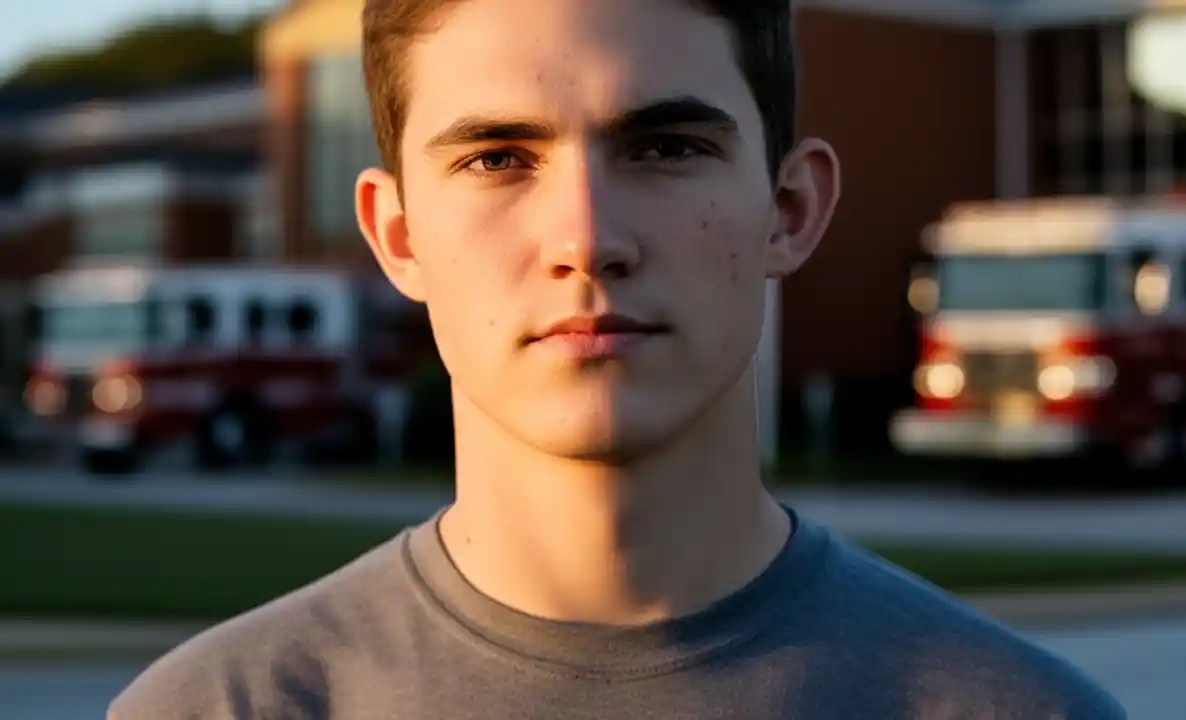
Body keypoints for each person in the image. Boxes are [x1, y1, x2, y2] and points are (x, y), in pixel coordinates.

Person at [110, 0, 1126, 717]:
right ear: (398, 234)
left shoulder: (1020, 712)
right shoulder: (218, 711)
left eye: (666, 148)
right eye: (497, 158)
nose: (587, 238)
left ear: (788, 210)